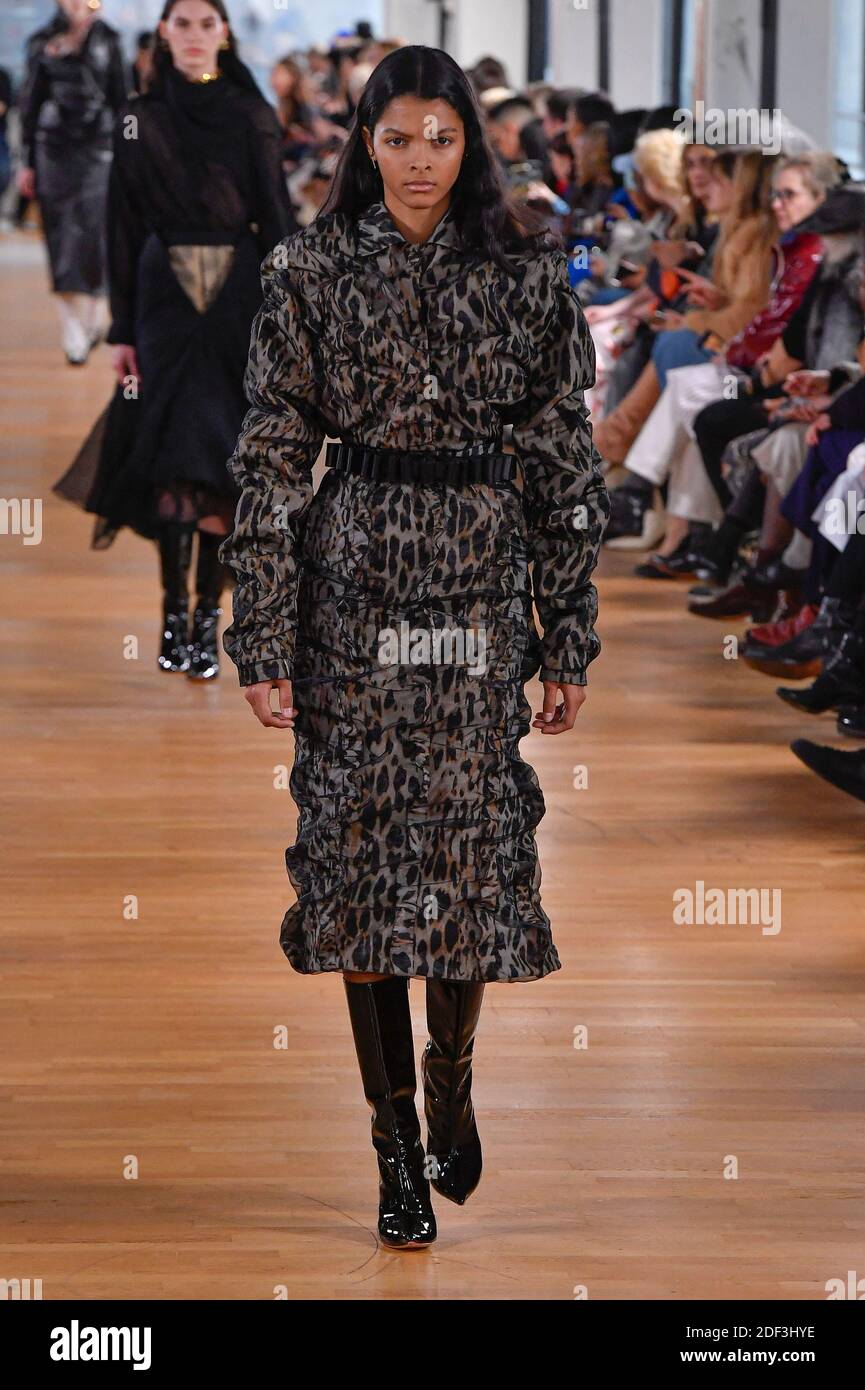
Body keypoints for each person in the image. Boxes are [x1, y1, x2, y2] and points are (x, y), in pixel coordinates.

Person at [218, 44, 609, 1249]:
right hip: (353, 590)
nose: (420, 160)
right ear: (364, 143)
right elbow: (272, 453)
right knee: (358, 856)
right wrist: (262, 628)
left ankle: (451, 1071)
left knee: (469, 851)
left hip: (479, 594)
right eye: (399, 138)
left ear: (469, 144)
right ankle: (392, 1138)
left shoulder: (525, 278)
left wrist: (568, 634)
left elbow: (563, 461)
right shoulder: (308, 269)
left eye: (441, 137)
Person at [53, 0, 295, 681]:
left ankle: (205, 619)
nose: (193, 35)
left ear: (223, 33)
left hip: (239, 300)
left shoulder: (253, 114)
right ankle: (170, 617)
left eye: (205, 23)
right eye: (181, 23)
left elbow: (276, 216)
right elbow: (121, 225)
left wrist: (289, 317)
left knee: (222, 457)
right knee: (171, 451)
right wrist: (122, 329)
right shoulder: (139, 116)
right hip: (162, 298)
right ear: (164, 31)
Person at [18, 0, 128, 364]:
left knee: (96, 231)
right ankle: (70, 325)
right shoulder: (41, 40)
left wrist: (129, 151)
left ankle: (96, 316)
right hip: (54, 149)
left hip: (99, 147)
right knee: (60, 234)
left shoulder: (109, 39)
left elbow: (121, 98)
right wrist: (28, 161)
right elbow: (30, 104)